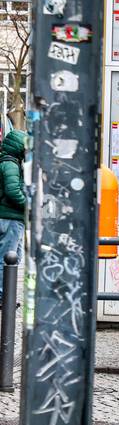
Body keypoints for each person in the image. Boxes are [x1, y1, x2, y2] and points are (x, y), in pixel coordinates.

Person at [0, 128, 26, 301]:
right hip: (11, 217)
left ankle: (5, 295)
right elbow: (13, 191)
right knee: (7, 258)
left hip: (9, 216)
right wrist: (29, 206)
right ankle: (3, 295)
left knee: (13, 257)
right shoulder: (11, 164)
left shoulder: (7, 161)